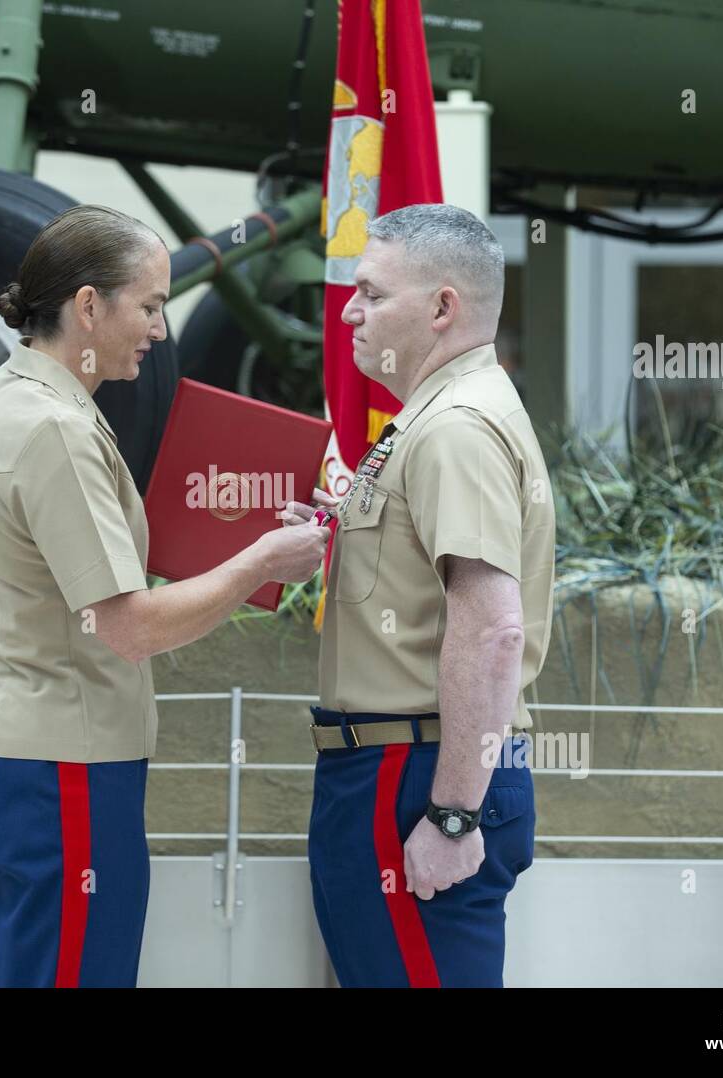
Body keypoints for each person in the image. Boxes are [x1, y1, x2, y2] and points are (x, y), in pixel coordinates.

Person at [0, 204, 329, 988]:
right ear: (89, 306)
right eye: (150, 305)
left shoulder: (6, 393)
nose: (160, 327)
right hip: (63, 772)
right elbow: (129, 627)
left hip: (3, 755)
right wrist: (260, 559)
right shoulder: (57, 428)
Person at [283, 203, 556, 987]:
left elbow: (492, 629)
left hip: (416, 773)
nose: (349, 309)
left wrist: (453, 814)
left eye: (371, 292)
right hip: (401, 766)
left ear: (442, 307)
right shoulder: (437, 417)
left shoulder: (456, 428)